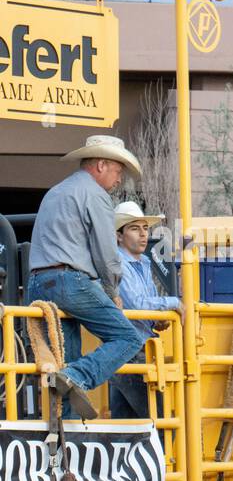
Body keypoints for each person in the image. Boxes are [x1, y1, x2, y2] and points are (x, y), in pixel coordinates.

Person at [26, 135, 147, 420]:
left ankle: (62, 440)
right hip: (71, 282)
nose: (119, 180)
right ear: (101, 165)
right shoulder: (95, 195)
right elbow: (106, 254)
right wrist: (112, 291)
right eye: (118, 171)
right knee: (127, 337)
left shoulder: (55, 192)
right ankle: (77, 376)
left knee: (61, 357)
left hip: (38, 284)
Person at [109, 201, 180, 418]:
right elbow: (136, 303)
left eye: (145, 228)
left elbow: (142, 302)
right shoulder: (118, 264)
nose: (142, 234)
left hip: (134, 349)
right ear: (119, 236)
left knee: (128, 428)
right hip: (133, 350)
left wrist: (155, 319)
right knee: (159, 421)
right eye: (134, 228)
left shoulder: (143, 262)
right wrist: (173, 303)